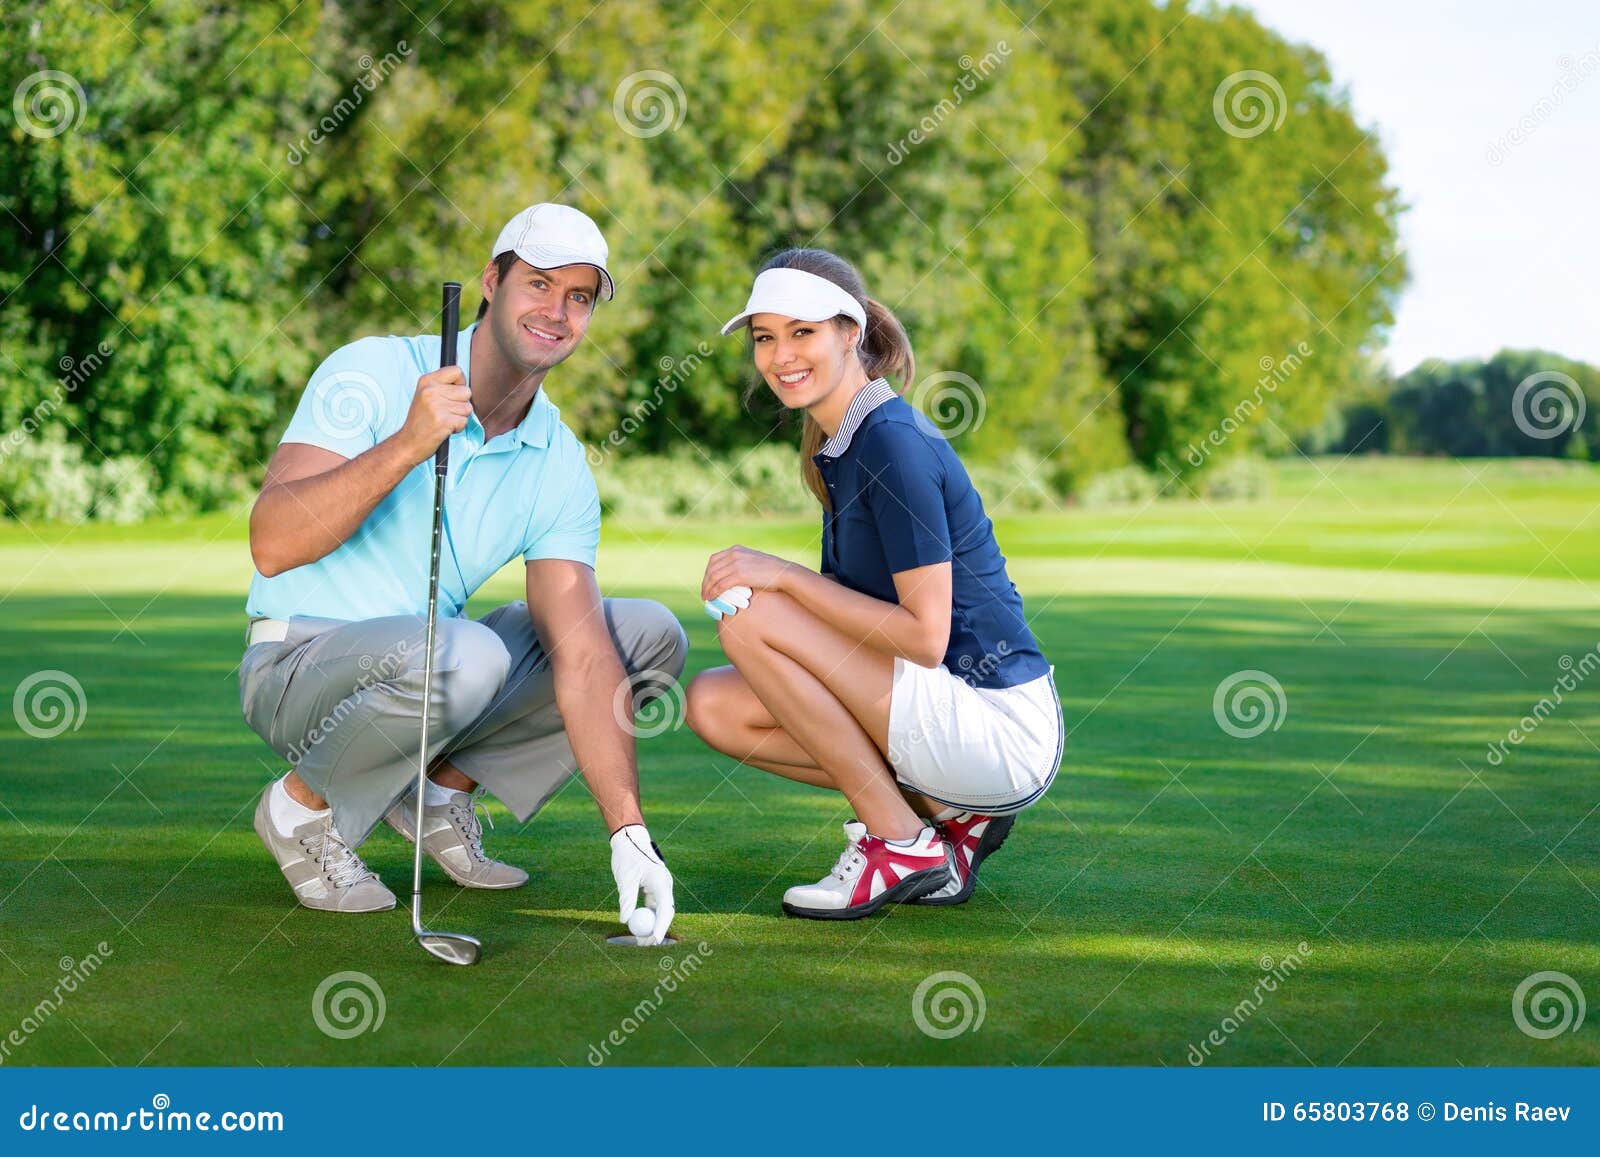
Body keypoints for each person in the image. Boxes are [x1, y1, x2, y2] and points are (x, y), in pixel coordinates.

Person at [239, 203, 684, 944]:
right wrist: (409, 443)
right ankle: (301, 810)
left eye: (579, 297)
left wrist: (629, 830)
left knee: (644, 633)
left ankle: (436, 800)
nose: (557, 312)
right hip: (297, 664)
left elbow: (579, 653)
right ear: (491, 281)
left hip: (432, 666)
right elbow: (272, 542)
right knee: (469, 651)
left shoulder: (558, 458)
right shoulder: (375, 368)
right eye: (539, 284)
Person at [685, 248, 1063, 920]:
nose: (780, 355)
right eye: (764, 337)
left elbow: (924, 636)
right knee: (712, 704)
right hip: (948, 718)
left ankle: (901, 841)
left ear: (850, 332)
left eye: (802, 332)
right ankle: (946, 814)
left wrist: (782, 577)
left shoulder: (891, 439)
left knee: (753, 616)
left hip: (1003, 728)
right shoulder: (836, 443)